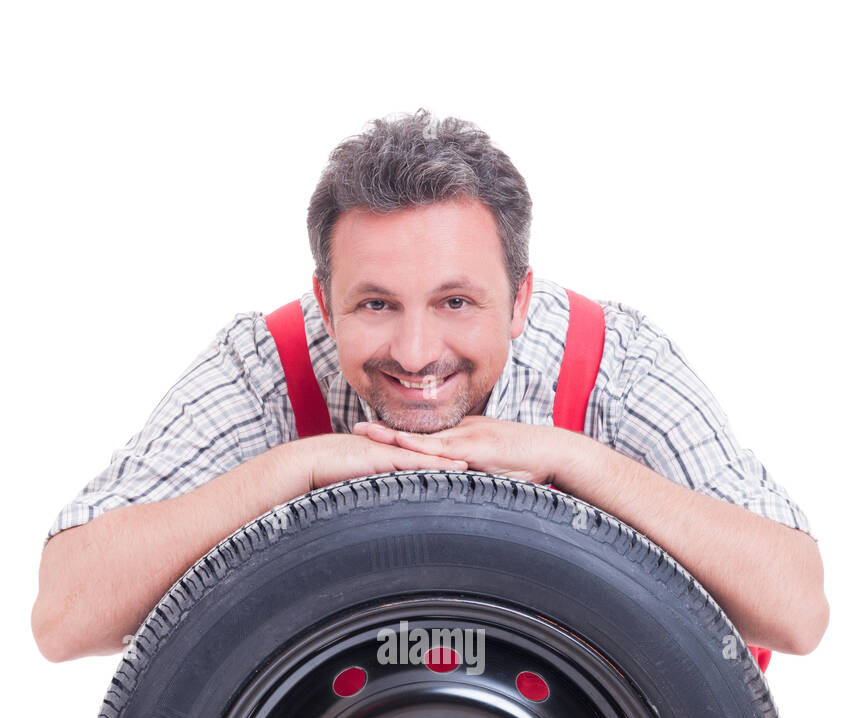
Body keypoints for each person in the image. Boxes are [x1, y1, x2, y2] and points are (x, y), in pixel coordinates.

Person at [31, 110, 828, 662]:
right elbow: (64, 617)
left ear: (520, 299)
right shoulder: (263, 364)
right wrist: (291, 472)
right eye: (375, 304)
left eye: (455, 302)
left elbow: (795, 609)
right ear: (322, 302)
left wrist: (572, 460)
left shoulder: (612, 362)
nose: (415, 353)